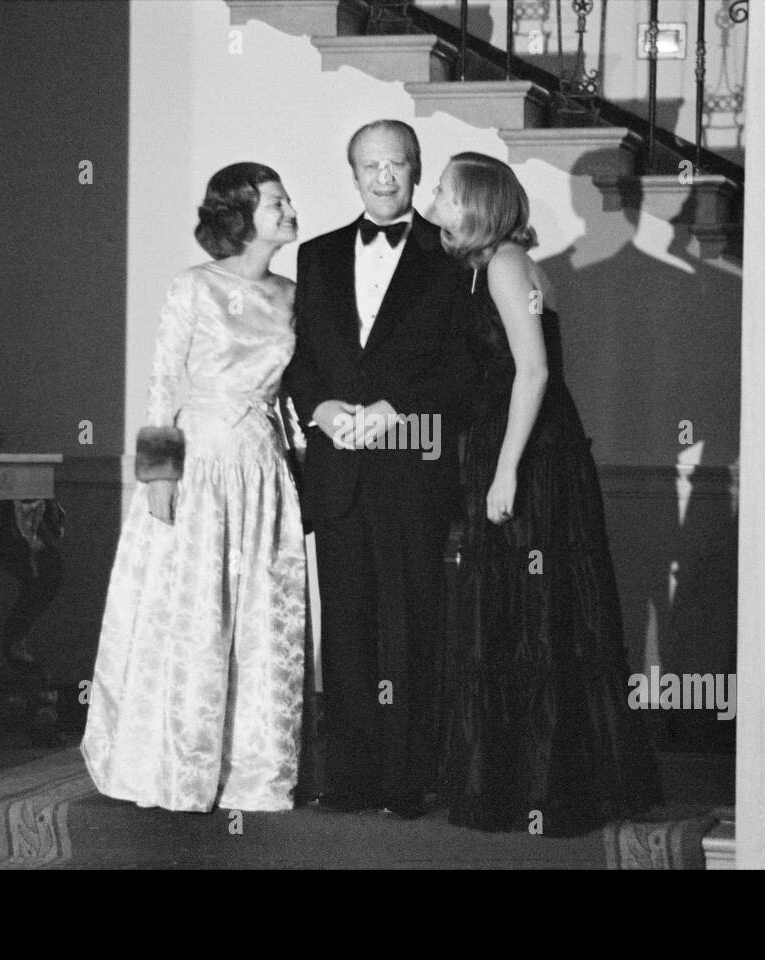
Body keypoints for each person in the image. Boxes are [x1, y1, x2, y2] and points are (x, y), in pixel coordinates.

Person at [431, 152, 661, 836]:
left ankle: (534, 790)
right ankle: (532, 783)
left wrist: (504, 471)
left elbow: (531, 372)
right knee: (533, 615)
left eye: (443, 189)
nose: (433, 196)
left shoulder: (504, 265)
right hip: (529, 446)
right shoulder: (499, 264)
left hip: (527, 454)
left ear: (474, 201)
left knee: (531, 617)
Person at [82, 163, 307, 812]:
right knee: (194, 615)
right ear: (240, 214)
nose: (289, 209)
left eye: (286, 198)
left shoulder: (293, 296)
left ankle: (254, 772)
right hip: (199, 465)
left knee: (261, 618)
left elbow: (291, 398)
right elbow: (162, 384)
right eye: (274, 201)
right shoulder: (193, 288)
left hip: (261, 468)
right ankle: (176, 765)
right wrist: (157, 477)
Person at [284, 120, 476, 818]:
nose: (385, 177)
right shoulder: (317, 255)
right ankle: (353, 779)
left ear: (417, 169)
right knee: (349, 626)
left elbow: (467, 364)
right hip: (339, 469)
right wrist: (321, 408)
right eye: (372, 165)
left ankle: (409, 781)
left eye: (397, 164)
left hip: (413, 466)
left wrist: (401, 408)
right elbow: (300, 354)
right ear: (353, 173)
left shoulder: (455, 257)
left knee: (416, 621)